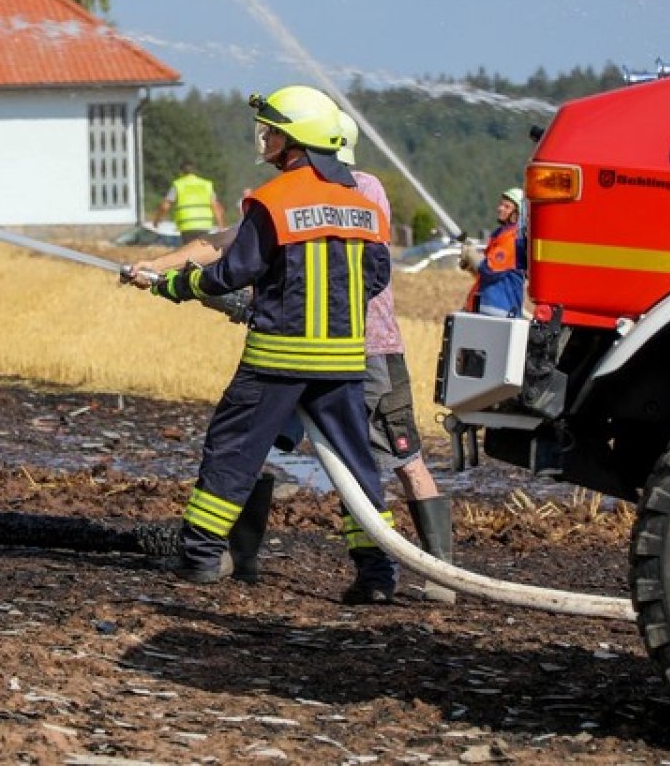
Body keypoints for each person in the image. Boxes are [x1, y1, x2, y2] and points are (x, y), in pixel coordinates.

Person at [123, 85, 399, 604]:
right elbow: (376, 277)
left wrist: (173, 285)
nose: (265, 140)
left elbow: (231, 272)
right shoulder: (363, 207)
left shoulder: (273, 200)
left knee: (233, 449)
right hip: (343, 362)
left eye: (272, 132)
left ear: (296, 141)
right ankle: (377, 575)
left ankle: (202, 555)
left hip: (276, 360)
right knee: (355, 465)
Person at [336, 111, 455, 603]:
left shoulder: (364, 188)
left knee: (405, 458)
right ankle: (375, 577)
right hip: (333, 349)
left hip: (373, 348)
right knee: (348, 464)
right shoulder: (316, 190)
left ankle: (442, 576)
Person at [461, 187, 527, 317]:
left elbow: (490, 270)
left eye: (507, 207)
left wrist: (471, 255)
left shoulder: (513, 238)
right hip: (488, 305)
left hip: (499, 308)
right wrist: (471, 266)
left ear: (518, 213)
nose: (500, 208)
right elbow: (487, 274)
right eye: (501, 204)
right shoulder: (501, 235)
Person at [152, 161, 226, 242]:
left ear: (181, 172)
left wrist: (156, 220)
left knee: (189, 248)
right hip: (204, 225)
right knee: (200, 248)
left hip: (186, 225)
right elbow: (215, 206)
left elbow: (165, 206)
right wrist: (221, 226)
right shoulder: (206, 184)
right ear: (195, 171)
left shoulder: (178, 184)